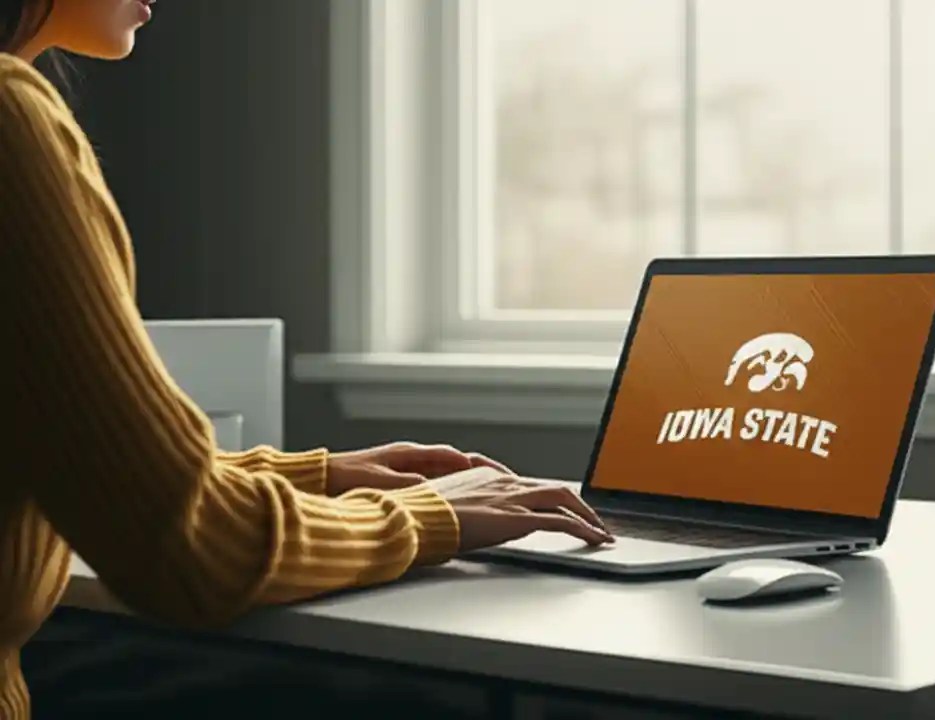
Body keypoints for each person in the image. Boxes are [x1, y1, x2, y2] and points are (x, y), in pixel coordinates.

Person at [0, 1, 614, 717]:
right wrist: (422, 515)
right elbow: (193, 548)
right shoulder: (13, 125)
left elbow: (79, 464)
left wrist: (319, 477)